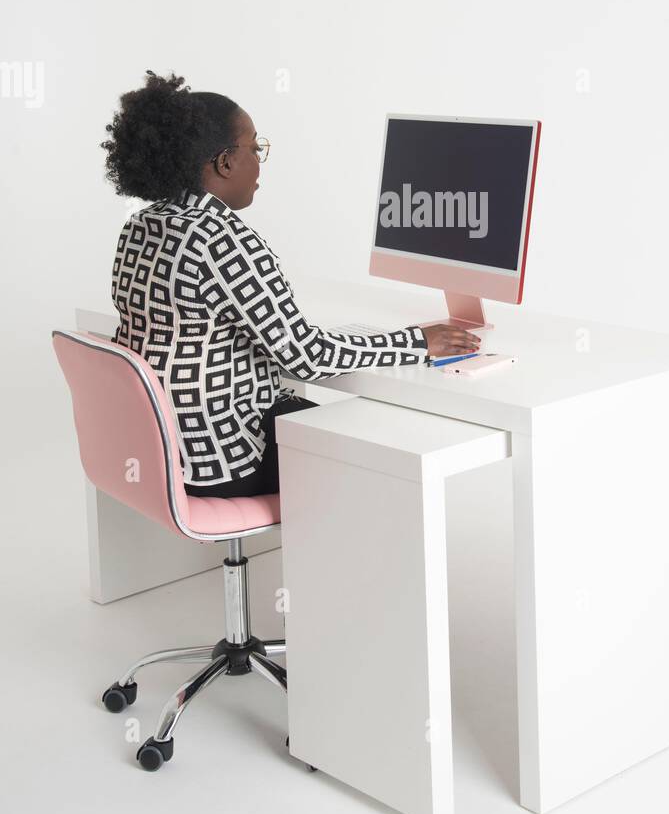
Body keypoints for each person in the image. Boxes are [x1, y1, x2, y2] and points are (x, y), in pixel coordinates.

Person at [101, 70, 480, 498]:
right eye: (254, 147)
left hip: (161, 451)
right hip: (225, 460)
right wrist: (417, 342)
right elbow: (308, 358)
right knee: (382, 458)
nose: (259, 160)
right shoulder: (219, 238)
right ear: (225, 161)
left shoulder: (141, 225)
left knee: (339, 423)